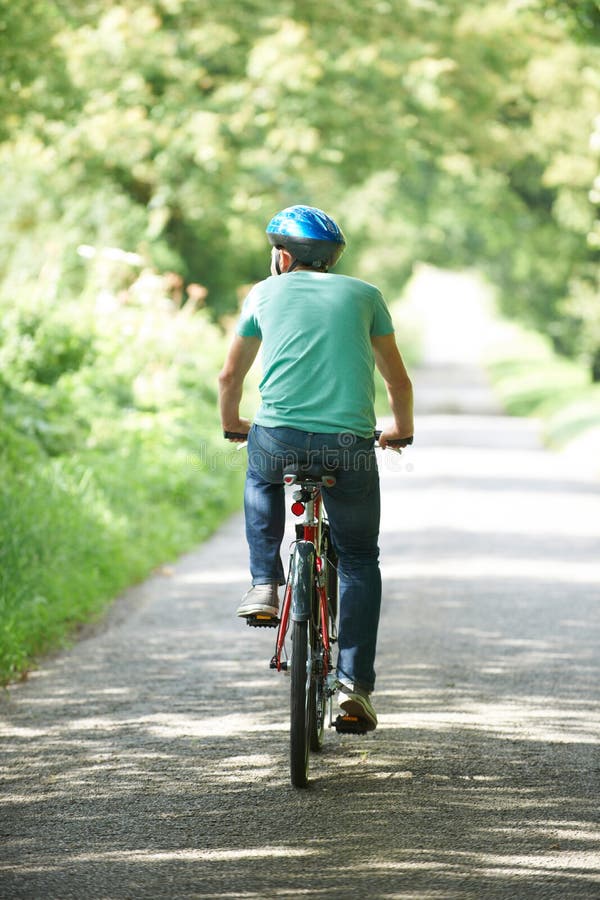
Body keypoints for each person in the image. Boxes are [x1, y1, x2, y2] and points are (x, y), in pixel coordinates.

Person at [218, 205, 413, 730]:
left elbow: (228, 376)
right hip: (347, 445)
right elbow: (397, 382)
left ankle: (265, 582)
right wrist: (401, 431)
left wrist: (234, 423)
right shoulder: (365, 295)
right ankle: (354, 685)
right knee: (357, 559)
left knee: (260, 473)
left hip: (277, 437)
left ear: (282, 256)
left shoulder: (262, 293)